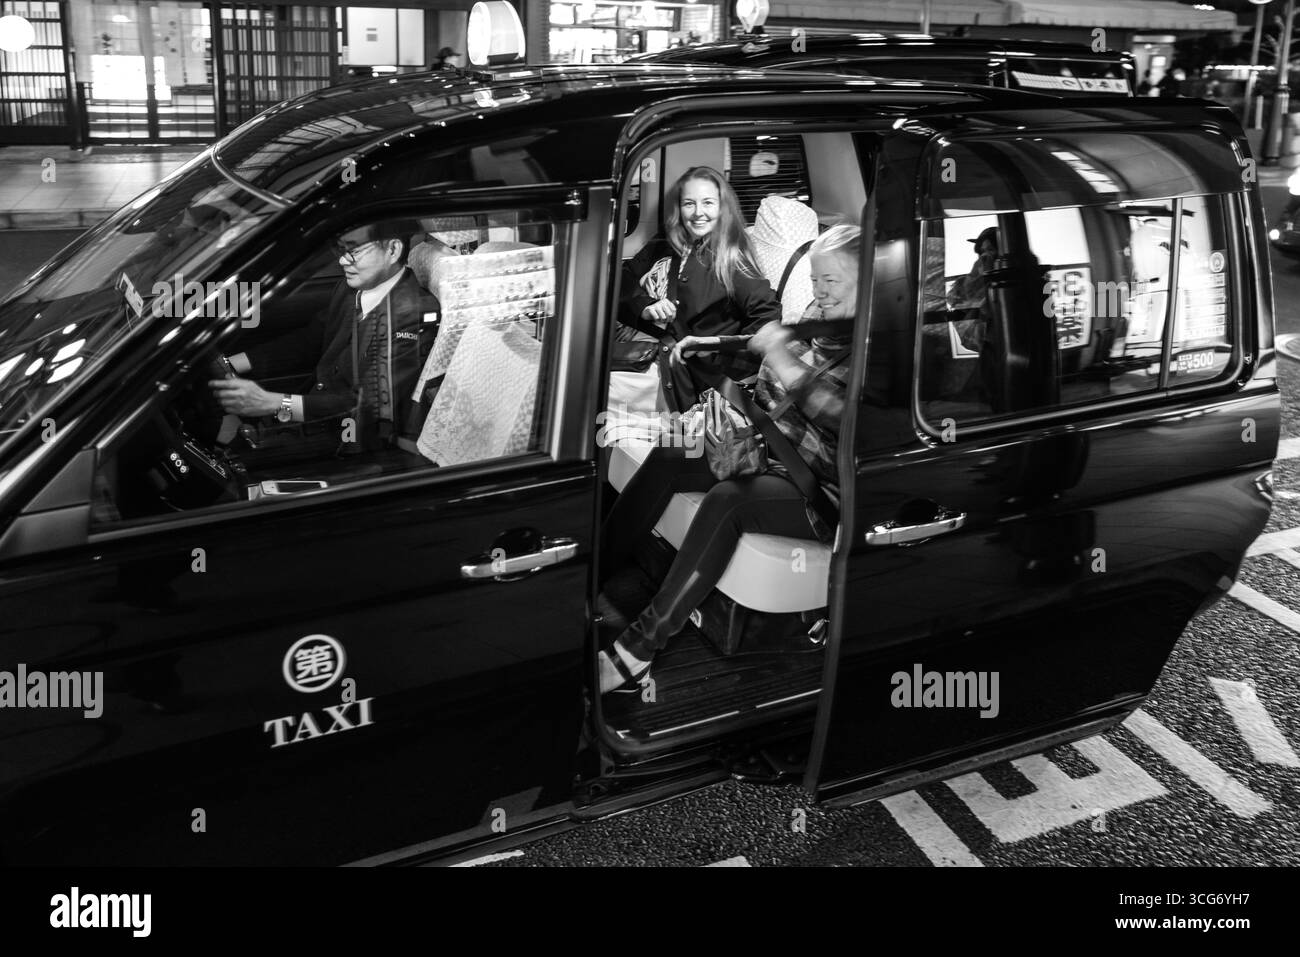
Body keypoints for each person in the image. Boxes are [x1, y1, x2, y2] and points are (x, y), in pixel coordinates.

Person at [597, 225, 861, 694]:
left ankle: (638, 650)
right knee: (674, 453)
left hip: (817, 488)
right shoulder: (819, 318)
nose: (819, 292)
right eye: (816, 280)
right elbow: (765, 344)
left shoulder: (875, 347)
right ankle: (595, 577)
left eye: (833, 281)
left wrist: (779, 357)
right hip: (767, 447)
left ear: (868, 282)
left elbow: (843, 417)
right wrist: (711, 345)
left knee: (729, 500)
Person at [209, 220, 430, 458]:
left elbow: (366, 406)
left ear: (392, 250)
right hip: (312, 416)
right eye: (341, 249)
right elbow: (308, 341)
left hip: (349, 441)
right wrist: (232, 364)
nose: (343, 260)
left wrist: (274, 403)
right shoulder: (351, 291)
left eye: (354, 252)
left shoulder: (411, 316)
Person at [619, 165, 782, 413]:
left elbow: (767, 319)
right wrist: (645, 306)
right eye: (689, 204)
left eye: (708, 203)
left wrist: (710, 352)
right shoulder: (667, 242)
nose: (698, 213)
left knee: (598, 390)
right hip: (645, 348)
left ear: (722, 207)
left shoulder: (731, 259)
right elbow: (624, 278)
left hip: (684, 374)